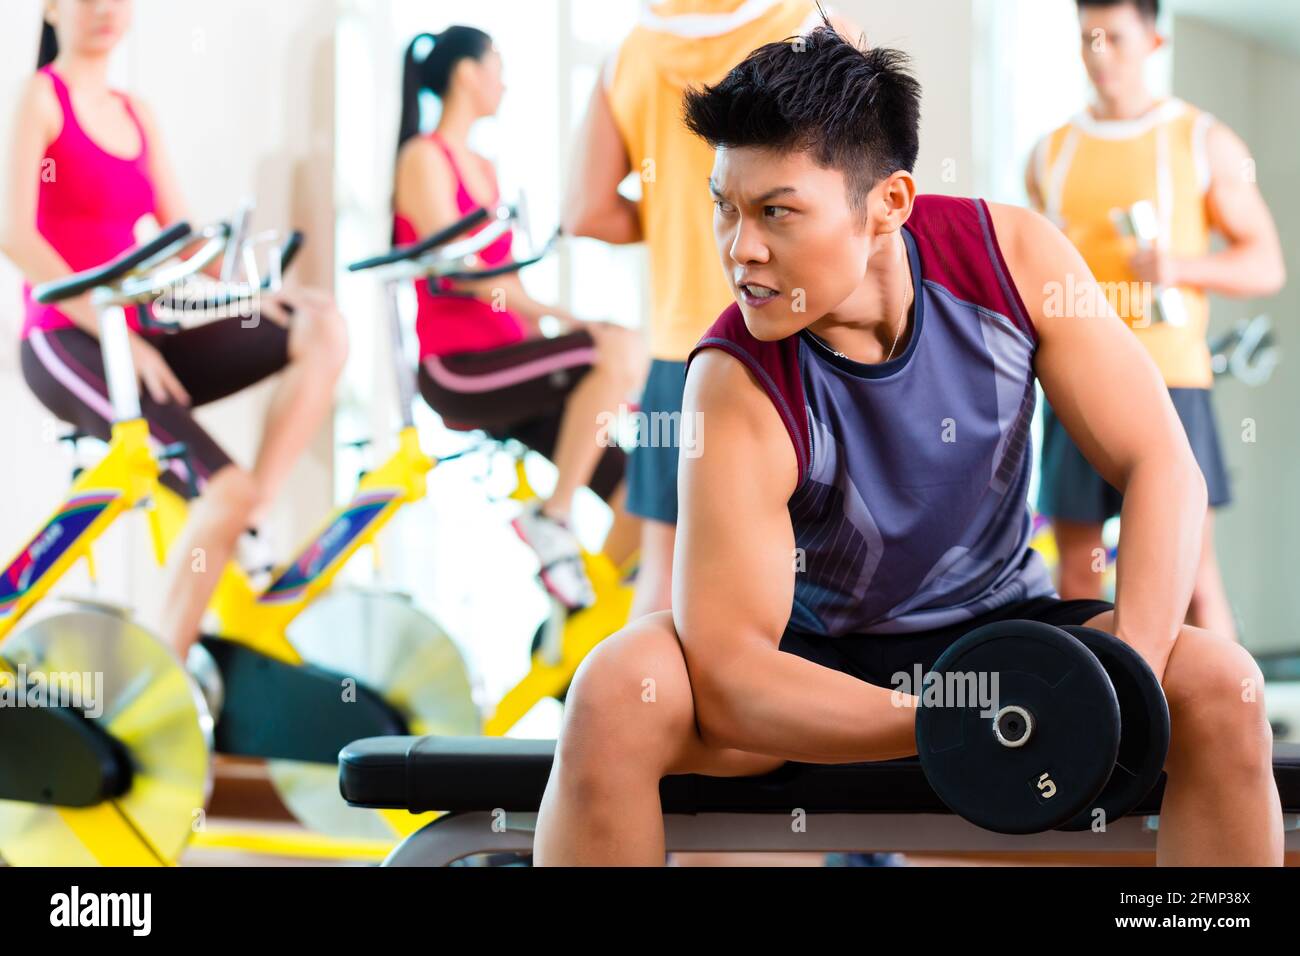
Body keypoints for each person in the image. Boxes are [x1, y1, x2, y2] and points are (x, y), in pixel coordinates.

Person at [533, 24, 1281, 866]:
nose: (740, 248)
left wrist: (1121, 685)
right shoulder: (734, 379)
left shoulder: (1013, 258)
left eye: (776, 210)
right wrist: (945, 720)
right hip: (813, 669)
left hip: (1005, 630)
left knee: (1221, 685)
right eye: (725, 207)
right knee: (611, 692)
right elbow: (734, 673)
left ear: (888, 204)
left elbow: (1159, 463)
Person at [0, 0, 348, 661]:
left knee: (322, 329)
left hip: (139, 341)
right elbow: (14, 233)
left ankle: (249, 523)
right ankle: (160, 685)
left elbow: (179, 240)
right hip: (64, 338)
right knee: (222, 487)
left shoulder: (137, 113)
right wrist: (112, 334)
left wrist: (262, 291)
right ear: (50, 7)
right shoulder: (39, 98)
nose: (103, 9)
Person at [563, 0, 864, 619]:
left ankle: (648, 712)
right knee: (818, 575)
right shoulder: (816, 28)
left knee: (667, 587)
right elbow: (859, 195)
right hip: (801, 340)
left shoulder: (631, 51)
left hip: (683, 353)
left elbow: (585, 210)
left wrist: (684, 222)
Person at [1026, 0, 1285, 640]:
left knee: (1192, 580)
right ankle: (1090, 729)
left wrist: (1181, 267)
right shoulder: (1051, 154)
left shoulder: (1203, 141)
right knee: (1079, 579)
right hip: (1075, 379)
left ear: (1153, 43)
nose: (1099, 53)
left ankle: (1224, 727)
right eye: (1088, 38)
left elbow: (1265, 265)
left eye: (1115, 37)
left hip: (1171, 380)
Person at [393, 27, 645, 610]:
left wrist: (553, 331)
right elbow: (469, 276)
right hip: (460, 370)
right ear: (467, 74)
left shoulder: (485, 166)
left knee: (648, 493)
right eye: (497, 66)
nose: (505, 81)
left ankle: (581, 625)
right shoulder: (424, 158)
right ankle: (552, 518)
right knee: (620, 345)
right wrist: (578, 323)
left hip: (512, 368)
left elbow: (510, 294)